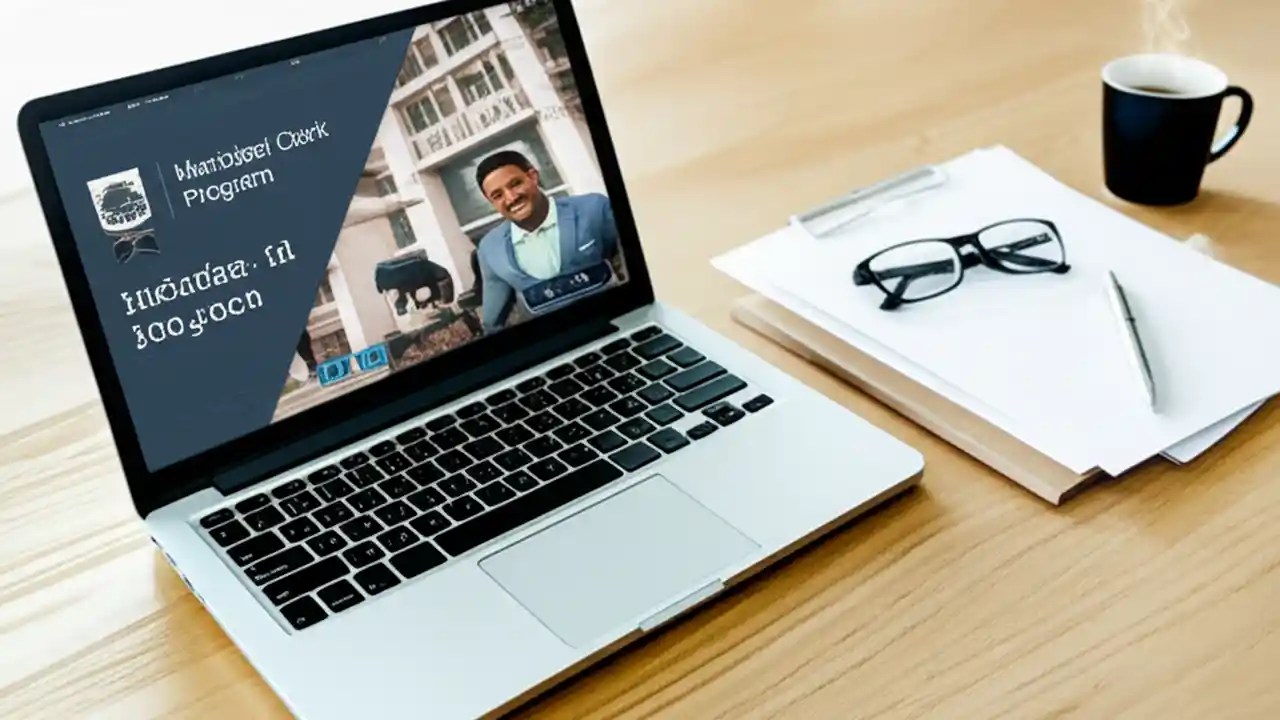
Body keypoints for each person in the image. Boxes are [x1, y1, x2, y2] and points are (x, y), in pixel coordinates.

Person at [474, 150, 620, 333]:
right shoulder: (490, 248)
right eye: (497, 195)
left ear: (533, 177)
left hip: (613, 325)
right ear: (491, 202)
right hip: (551, 344)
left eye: (516, 184)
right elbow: (493, 323)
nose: (511, 198)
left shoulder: (593, 208)